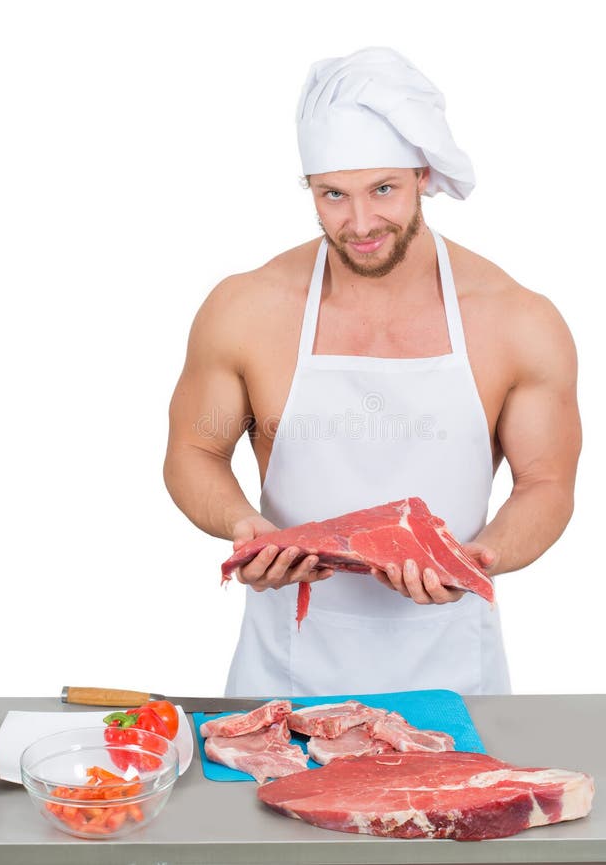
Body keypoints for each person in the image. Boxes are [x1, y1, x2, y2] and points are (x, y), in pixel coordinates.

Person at [163, 47, 581, 698]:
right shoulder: (246, 308)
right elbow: (196, 448)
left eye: (382, 189)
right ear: (311, 189)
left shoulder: (516, 319)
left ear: (422, 175)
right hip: (283, 674)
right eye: (334, 195)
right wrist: (242, 523)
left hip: (454, 673)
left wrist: (481, 558)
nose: (359, 224)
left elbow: (547, 482)